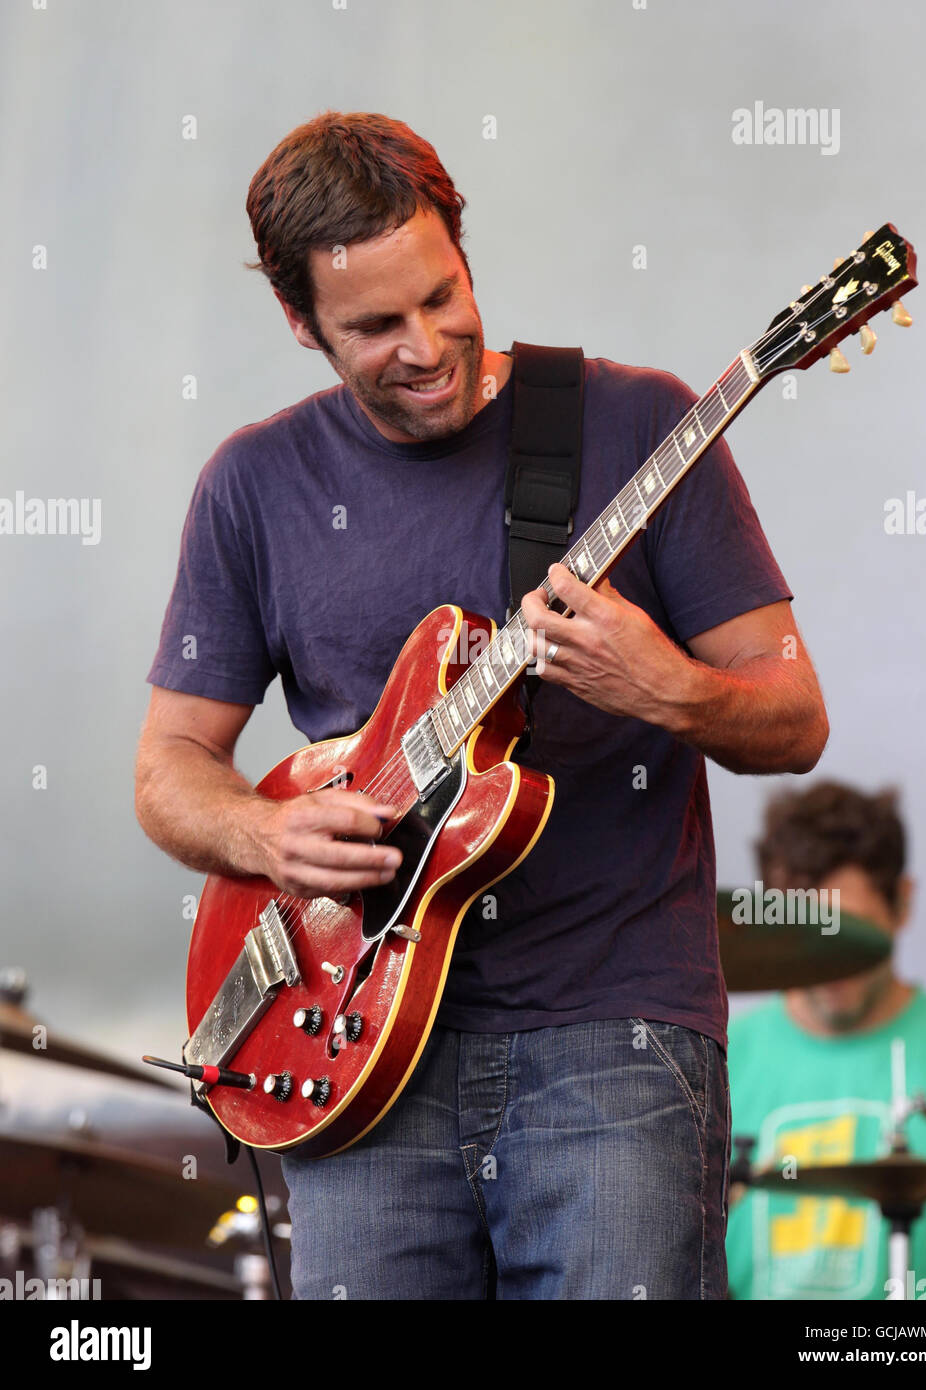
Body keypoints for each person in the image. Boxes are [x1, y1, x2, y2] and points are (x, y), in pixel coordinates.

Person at [134, 109, 828, 1300]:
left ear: (462, 251)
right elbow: (169, 767)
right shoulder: (254, 485)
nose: (426, 344)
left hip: (609, 1034)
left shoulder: (636, 421)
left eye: (441, 296)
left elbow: (792, 718)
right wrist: (264, 831)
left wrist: (662, 684)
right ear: (300, 323)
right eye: (373, 325)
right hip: (350, 1053)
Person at [726, 780, 926, 1300]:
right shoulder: (712, 1065)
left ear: (902, 904)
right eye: (808, 929)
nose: (831, 959)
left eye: (851, 930)